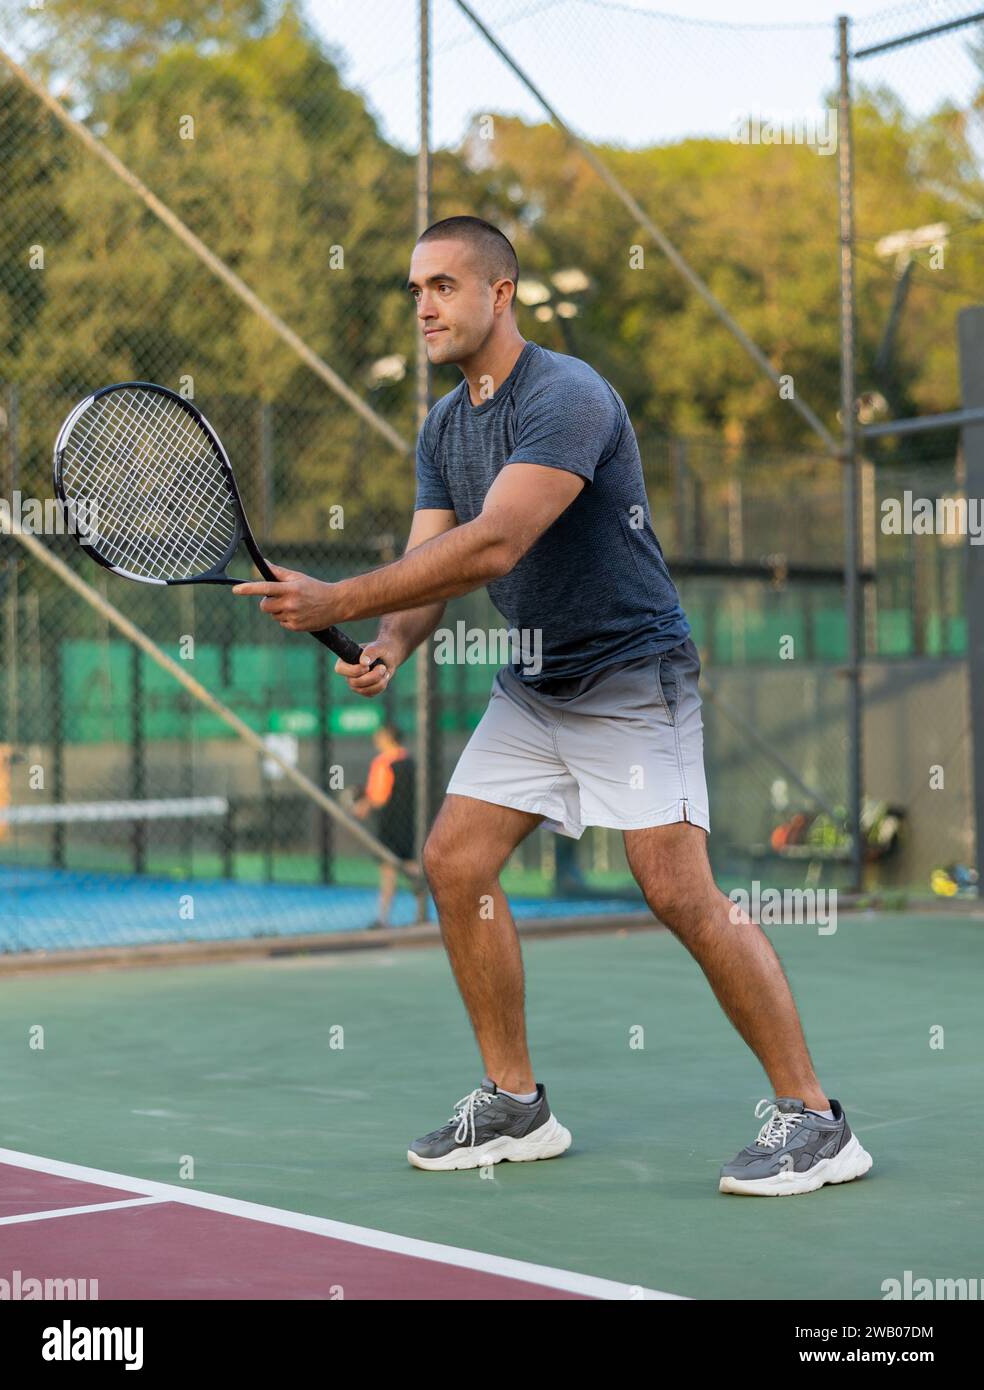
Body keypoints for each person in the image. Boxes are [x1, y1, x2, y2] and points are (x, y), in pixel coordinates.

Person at [234, 215, 872, 1196]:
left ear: (500, 295)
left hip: (628, 672)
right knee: (454, 861)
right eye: (413, 290)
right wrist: (386, 642)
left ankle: (815, 1120)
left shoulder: (566, 395)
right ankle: (514, 1103)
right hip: (534, 684)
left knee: (672, 886)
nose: (423, 306)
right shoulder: (445, 428)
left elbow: (495, 544)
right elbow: (428, 570)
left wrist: (335, 598)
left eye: (443, 285)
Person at [351, 722, 419, 929]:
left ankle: (383, 918)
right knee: (410, 867)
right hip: (408, 823)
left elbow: (379, 798)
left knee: (388, 870)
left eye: (380, 735)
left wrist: (362, 803)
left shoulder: (383, 763)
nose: (376, 738)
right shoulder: (410, 761)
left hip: (389, 824)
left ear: (388, 737)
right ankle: (422, 912)